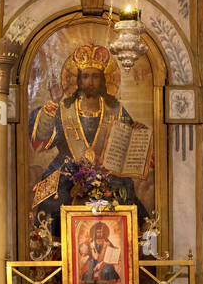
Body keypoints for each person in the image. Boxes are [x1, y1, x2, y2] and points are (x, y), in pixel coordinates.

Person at [30, 44, 152, 239]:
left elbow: (126, 144)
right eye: (85, 76)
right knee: (52, 203)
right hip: (67, 171)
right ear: (78, 80)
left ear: (103, 80)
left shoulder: (115, 109)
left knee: (125, 197)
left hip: (107, 172)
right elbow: (42, 138)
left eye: (95, 76)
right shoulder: (64, 109)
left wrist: (135, 132)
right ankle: (56, 256)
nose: (90, 82)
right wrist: (53, 103)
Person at [78, 220, 120, 284]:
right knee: (87, 273)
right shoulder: (91, 241)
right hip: (92, 261)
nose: (100, 234)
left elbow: (110, 255)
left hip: (105, 262)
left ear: (104, 232)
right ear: (94, 233)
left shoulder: (107, 242)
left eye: (101, 232)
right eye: (98, 232)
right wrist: (86, 242)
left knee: (106, 271)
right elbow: (83, 252)